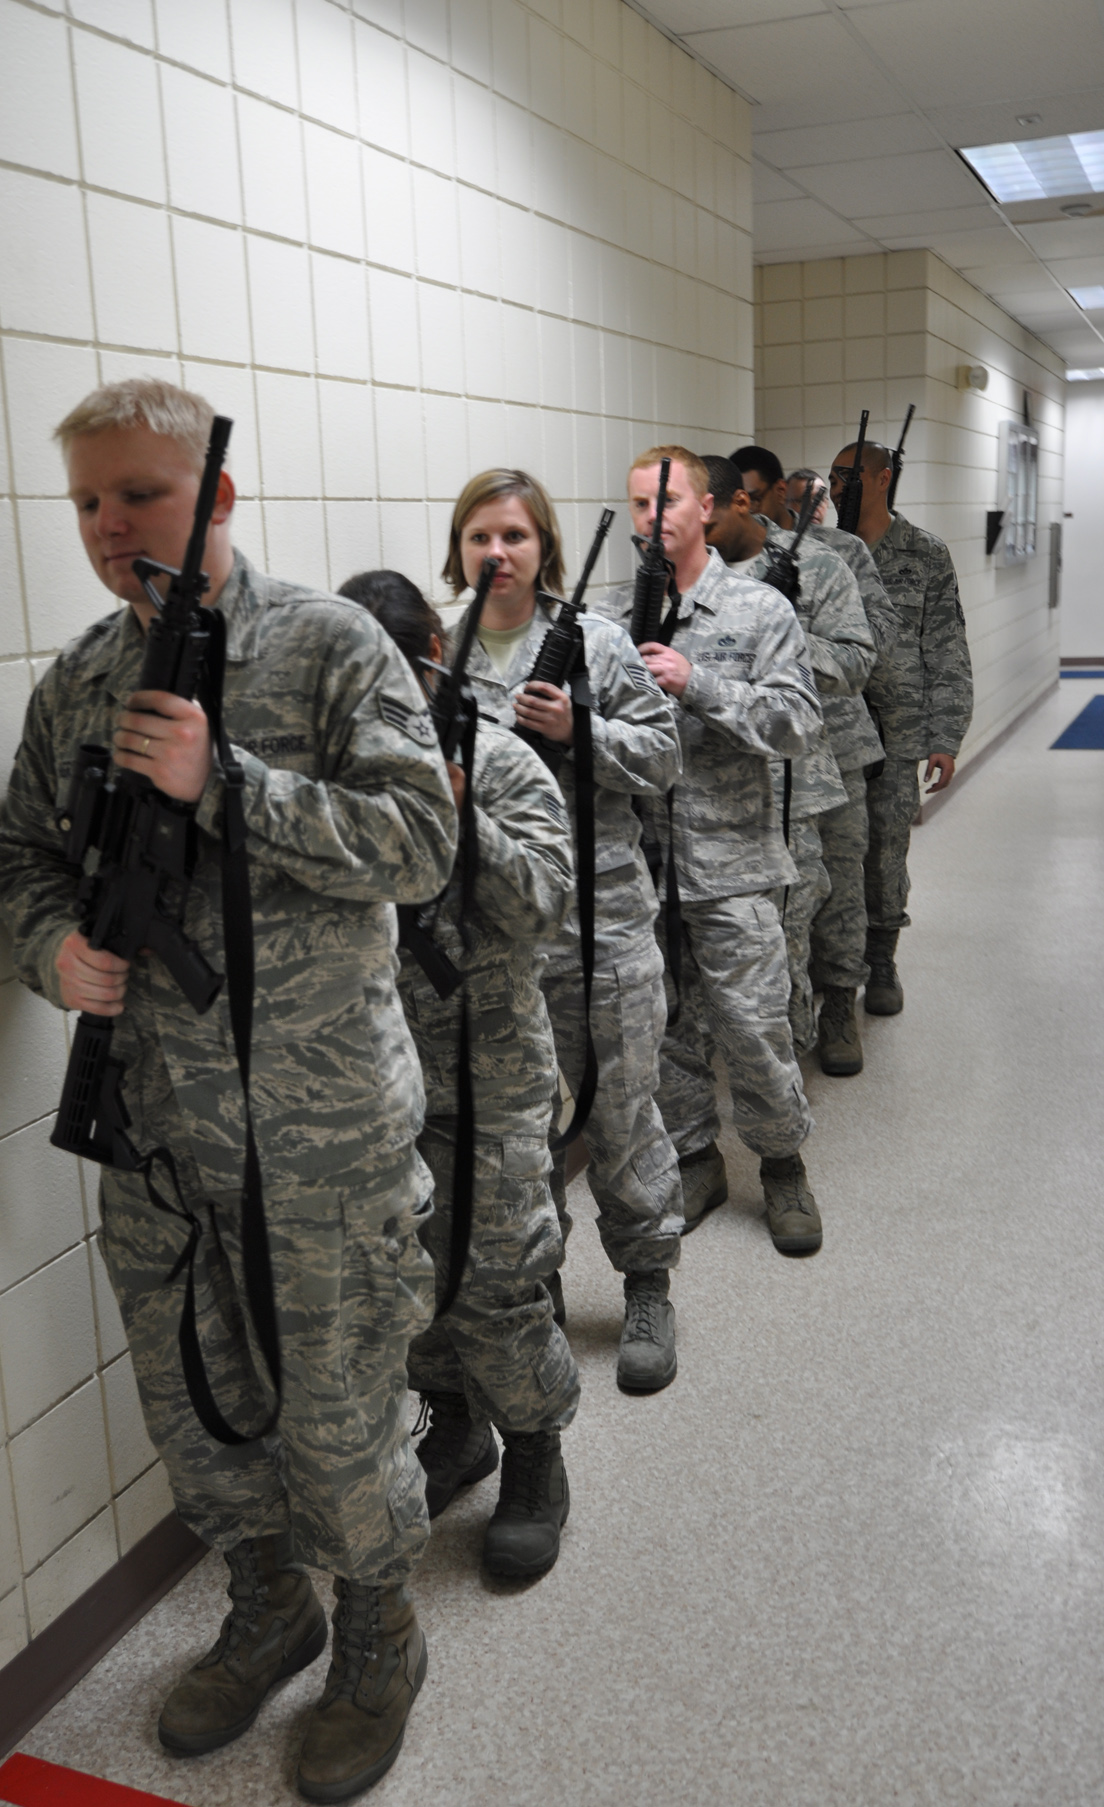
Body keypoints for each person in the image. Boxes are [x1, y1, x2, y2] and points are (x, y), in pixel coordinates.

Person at [0, 379, 459, 1804]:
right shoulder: (78, 679)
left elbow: (424, 841)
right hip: (156, 1131)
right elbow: (22, 855)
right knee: (200, 1405)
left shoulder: (330, 646)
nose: (109, 523)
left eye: (140, 493)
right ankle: (271, 1602)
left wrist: (229, 781)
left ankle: (379, 1631)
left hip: (324, 1133)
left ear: (220, 496)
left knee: (341, 1415)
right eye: (85, 500)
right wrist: (51, 950)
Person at [337, 568, 579, 1581]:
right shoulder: (334, 773)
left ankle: (535, 1451)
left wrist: (462, 819)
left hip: (492, 1066)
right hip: (374, 1076)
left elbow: (547, 907)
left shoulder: (506, 761)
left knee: (498, 1274)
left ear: (432, 661)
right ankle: (458, 1428)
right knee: (412, 1274)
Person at [444, 469, 685, 1393]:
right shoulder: (440, 649)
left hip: (604, 921)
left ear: (543, 546)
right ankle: (534, 1293)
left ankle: (648, 1281)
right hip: (494, 938)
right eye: (478, 537)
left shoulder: (600, 642)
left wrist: (584, 729)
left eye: (513, 536)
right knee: (517, 1135)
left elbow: (663, 757)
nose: (496, 553)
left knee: (621, 1112)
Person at [599, 447, 826, 1256]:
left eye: (666, 503)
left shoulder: (758, 611)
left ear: (706, 508)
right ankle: (697, 1156)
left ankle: (782, 1161)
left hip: (731, 863)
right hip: (642, 867)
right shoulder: (615, 619)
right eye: (636, 505)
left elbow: (798, 724)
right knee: (665, 1030)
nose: (651, 519)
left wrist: (699, 684)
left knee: (753, 1024)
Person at [699, 455, 875, 1060]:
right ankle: (769, 1048)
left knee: (814, 910)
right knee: (753, 935)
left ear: (739, 504)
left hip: (803, 776)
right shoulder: (685, 576)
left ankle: (824, 1022)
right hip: (716, 787)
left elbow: (856, 662)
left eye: (707, 519)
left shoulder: (818, 565)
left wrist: (783, 632)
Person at [828, 436, 973, 1014]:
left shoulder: (924, 553)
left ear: (882, 478)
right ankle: (832, 966)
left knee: (885, 850)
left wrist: (946, 736)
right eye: (833, 477)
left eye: (848, 476)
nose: (837, 486)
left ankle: (882, 957)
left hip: (898, 730)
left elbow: (946, 648)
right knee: (836, 854)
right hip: (833, 731)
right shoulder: (821, 551)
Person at [785, 467, 902, 1073]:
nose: (799, 510)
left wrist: (791, 634)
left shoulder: (843, 554)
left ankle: (838, 1006)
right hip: (771, 758)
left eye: (813, 500)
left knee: (842, 887)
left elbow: (874, 636)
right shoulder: (728, 571)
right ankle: (788, 1012)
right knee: (789, 896)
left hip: (839, 743)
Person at [730, 444, 794, 530]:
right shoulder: (735, 540)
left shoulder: (815, 540)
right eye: (738, 503)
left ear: (781, 491)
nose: (744, 511)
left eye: (753, 501)